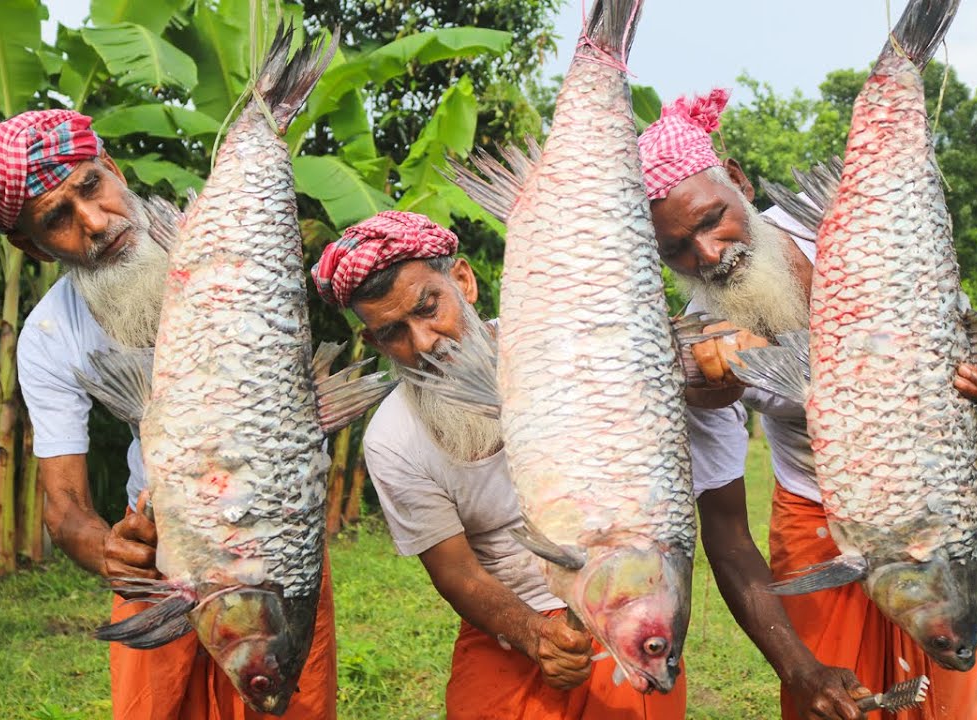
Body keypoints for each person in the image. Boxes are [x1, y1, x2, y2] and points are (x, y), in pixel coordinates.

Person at [637, 89, 977, 720]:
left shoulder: (851, 230)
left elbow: (956, 342)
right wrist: (800, 670)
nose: (709, 254)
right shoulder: (696, 342)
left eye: (711, 218)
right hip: (813, 516)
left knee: (944, 683)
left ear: (740, 184)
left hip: (927, 506)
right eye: (677, 249)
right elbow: (725, 534)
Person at [0, 107, 337, 720]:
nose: (95, 221)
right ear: (30, 244)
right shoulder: (51, 335)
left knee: (283, 694)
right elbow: (64, 506)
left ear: (111, 167)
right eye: (58, 219)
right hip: (157, 550)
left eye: (90, 186)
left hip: (271, 546)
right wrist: (110, 548)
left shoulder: (231, 257)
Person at [310, 210, 753, 719]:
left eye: (428, 308)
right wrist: (531, 633)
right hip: (505, 619)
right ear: (372, 343)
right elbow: (457, 571)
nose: (424, 342)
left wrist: (724, 359)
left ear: (462, 281)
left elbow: (698, 371)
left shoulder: (567, 350)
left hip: (621, 597)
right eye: (393, 334)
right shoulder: (392, 437)